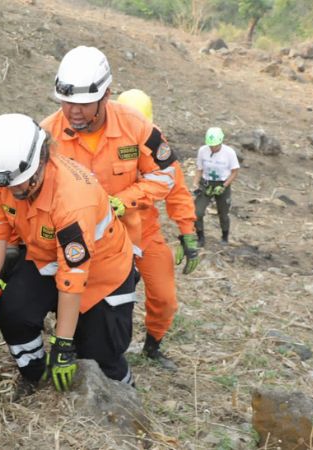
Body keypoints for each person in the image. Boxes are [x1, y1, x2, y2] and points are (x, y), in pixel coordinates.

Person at [40, 46, 193, 370]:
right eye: (67, 103)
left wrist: (122, 201)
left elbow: (167, 175)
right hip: (76, 237)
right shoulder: (47, 134)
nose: (74, 113)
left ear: (106, 94)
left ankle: (148, 345)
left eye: (83, 105)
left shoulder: (136, 126)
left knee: (158, 298)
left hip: (135, 231)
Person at [0, 114, 137, 396]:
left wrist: (63, 342)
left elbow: (73, 278)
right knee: (13, 312)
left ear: (43, 158)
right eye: (10, 185)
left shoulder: (72, 200)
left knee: (98, 355)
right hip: (46, 258)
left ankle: (125, 393)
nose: (16, 190)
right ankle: (36, 375)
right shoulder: (1, 177)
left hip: (102, 274)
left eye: (24, 182)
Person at [116, 88, 199, 371]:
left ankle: (153, 345)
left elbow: (177, 189)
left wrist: (188, 233)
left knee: (164, 297)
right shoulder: (107, 140)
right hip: (110, 232)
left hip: (146, 231)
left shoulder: (155, 142)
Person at [194, 127, 240, 246]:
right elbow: (199, 169)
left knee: (223, 213)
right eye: (210, 146)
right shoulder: (203, 151)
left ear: (221, 142)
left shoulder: (229, 153)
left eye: (215, 146)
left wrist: (224, 185)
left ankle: (225, 236)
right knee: (197, 212)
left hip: (222, 183)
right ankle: (200, 237)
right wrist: (195, 184)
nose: (212, 148)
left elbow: (234, 171)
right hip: (206, 183)